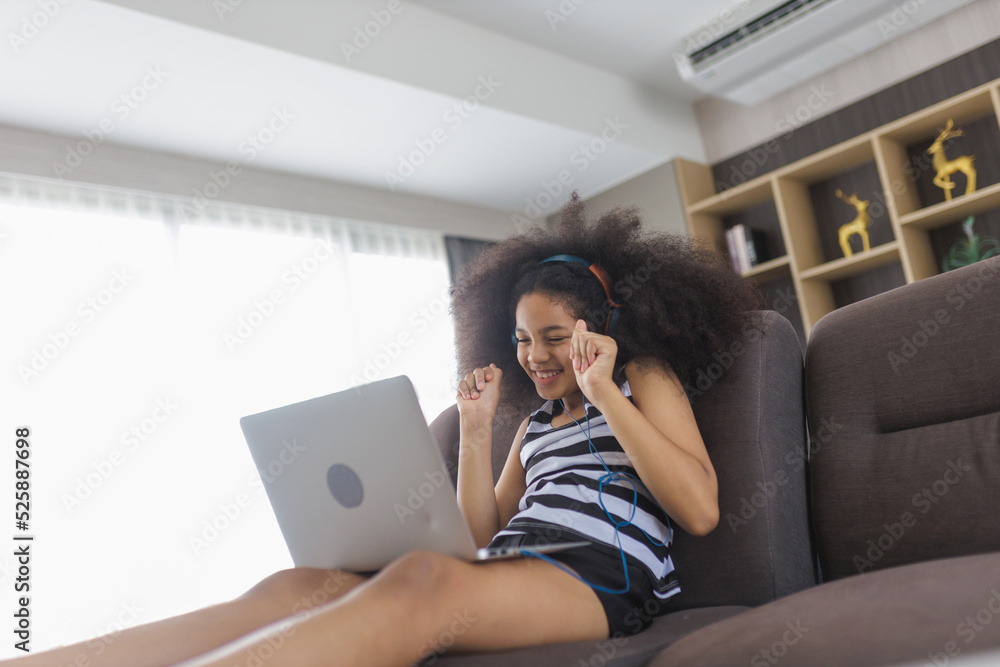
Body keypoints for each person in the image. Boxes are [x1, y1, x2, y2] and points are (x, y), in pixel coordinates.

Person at [2, 195, 763, 667]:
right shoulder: (532, 427)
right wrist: (473, 431)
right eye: (524, 338)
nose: (533, 356)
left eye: (554, 336)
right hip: (515, 562)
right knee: (300, 586)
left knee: (424, 582)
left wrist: (605, 389)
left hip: (604, 573)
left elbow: (697, 507)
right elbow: (477, 535)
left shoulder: (643, 379)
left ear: (600, 327)